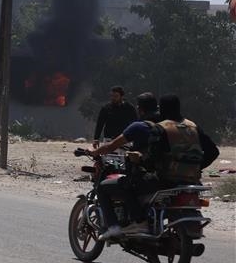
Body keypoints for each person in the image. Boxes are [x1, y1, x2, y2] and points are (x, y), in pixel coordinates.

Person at [91, 93, 219, 239]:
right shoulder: (193, 127)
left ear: (162, 109)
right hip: (191, 180)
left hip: (165, 179)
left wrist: (140, 159)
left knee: (124, 183)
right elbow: (213, 151)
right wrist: (196, 167)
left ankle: (139, 222)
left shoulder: (161, 128)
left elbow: (153, 159)